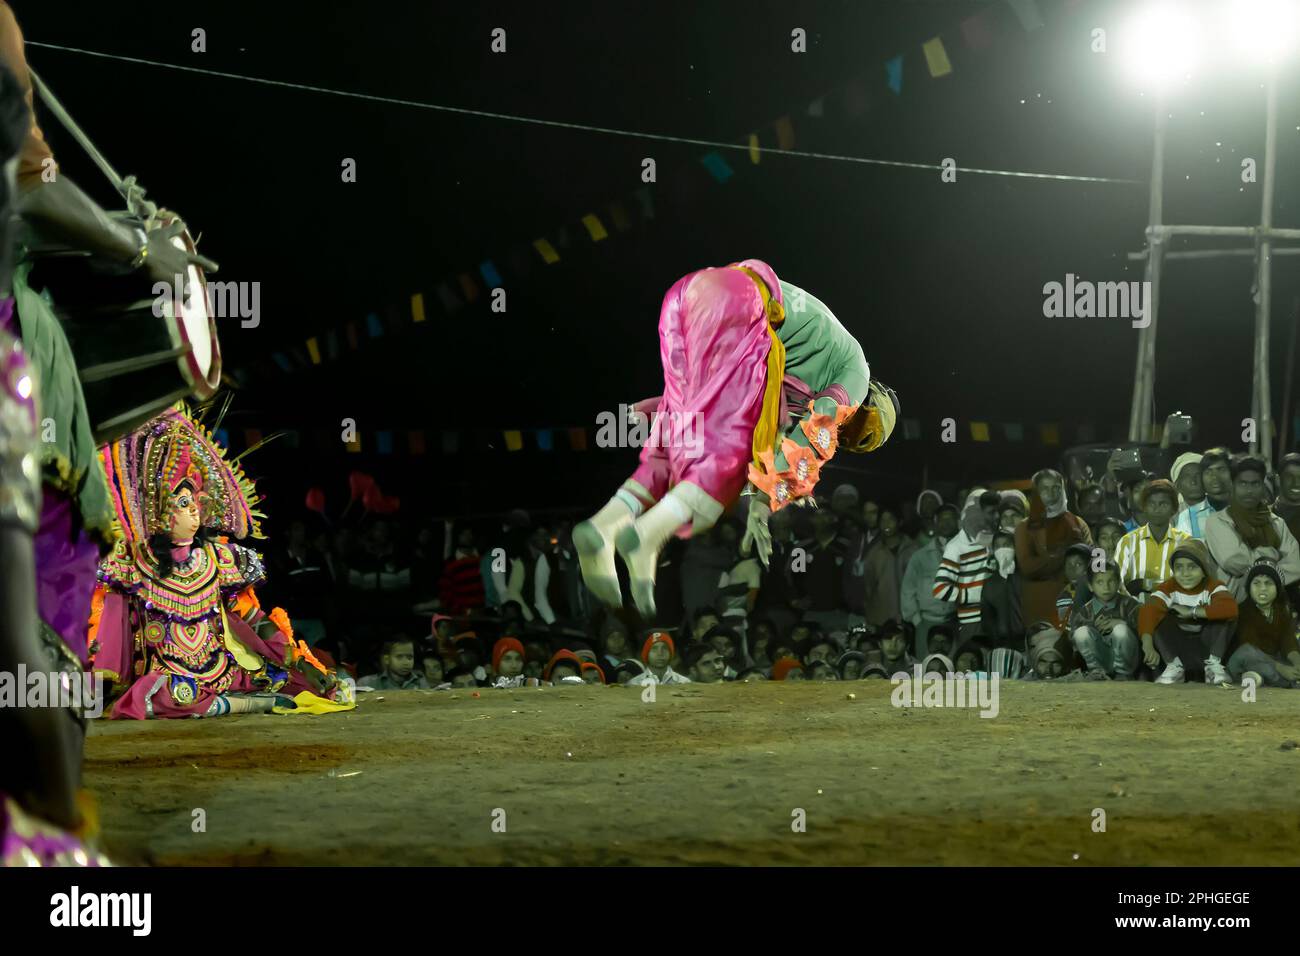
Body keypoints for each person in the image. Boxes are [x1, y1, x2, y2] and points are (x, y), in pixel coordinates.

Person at [572, 259, 897, 617]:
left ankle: (604, 527)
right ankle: (650, 534)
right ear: (869, 407)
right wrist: (764, 500)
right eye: (854, 436)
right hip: (744, 312)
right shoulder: (857, 375)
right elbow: (818, 430)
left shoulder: (807, 372)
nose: (844, 438)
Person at [90, 407, 352, 718]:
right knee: (161, 695)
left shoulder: (221, 560)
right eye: (183, 504)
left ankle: (246, 701)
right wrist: (98, 684)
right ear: (158, 514)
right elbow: (113, 631)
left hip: (223, 672)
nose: (194, 512)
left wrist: (302, 663)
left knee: (287, 684)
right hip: (170, 677)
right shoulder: (133, 564)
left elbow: (253, 619)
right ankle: (253, 704)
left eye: (196, 502)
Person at [1138, 539, 1237, 686]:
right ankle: (1174, 668)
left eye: (1192, 567)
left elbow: (1230, 608)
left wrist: (1193, 612)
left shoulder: (1213, 586)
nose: (1185, 573)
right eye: (1179, 567)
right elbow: (1148, 610)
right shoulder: (1169, 587)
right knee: (1157, 616)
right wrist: (1147, 646)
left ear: (1204, 570)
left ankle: (1213, 669)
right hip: (1180, 652)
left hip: (1207, 651)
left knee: (1227, 617)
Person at [1204, 455, 1300, 602]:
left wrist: (1261, 573)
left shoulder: (1276, 522)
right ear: (1232, 485)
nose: (1249, 491)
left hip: (1273, 607)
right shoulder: (1217, 521)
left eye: (1255, 484)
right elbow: (1233, 561)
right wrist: (1271, 553)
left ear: (1263, 486)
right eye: (1243, 484)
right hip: (1232, 608)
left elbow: (1296, 566)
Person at [1014, 468, 1093, 630]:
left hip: (1077, 605)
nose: (1051, 493)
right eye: (1045, 488)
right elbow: (1028, 567)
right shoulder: (1024, 527)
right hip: (1039, 608)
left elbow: (1093, 559)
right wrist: (1067, 556)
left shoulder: (1078, 523)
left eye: (1056, 487)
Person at [932, 490, 1000, 639]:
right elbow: (940, 589)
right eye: (991, 512)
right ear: (976, 513)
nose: (997, 516)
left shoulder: (996, 538)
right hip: (972, 622)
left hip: (999, 619)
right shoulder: (956, 546)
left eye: (997, 511)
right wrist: (979, 595)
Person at [1226, 560, 1300, 688]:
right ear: (1249, 587)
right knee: (1247, 652)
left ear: (1277, 588)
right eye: (1256, 583)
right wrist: (1280, 668)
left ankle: (1262, 679)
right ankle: (1287, 682)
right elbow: (1250, 650)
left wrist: (1297, 662)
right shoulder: (1242, 611)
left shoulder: (1282, 611)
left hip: (1270, 662)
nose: (1263, 588)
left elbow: (1288, 642)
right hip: (1244, 661)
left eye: (1269, 583)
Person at [1114, 479, 1189, 603]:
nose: (1157, 509)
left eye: (1163, 504)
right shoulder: (1127, 542)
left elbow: (1191, 585)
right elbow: (1117, 584)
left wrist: (1146, 584)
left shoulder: (1186, 542)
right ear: (1144, 507)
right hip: (1135, 613)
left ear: (1174, 509)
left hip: (1177, 613)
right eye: (1151, 504)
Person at [901, 502, 960, 656]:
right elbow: (908, 590)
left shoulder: (966, 553)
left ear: (958, 522)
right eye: (942, 519)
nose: (946, 523)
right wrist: (917, 621)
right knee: (924, 669)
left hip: (954, 622)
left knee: (952, 671)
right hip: (926, 622)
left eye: (950, 519)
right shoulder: (920, 556)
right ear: (935, 522)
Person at [1069, 561, 1140, 680]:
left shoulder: (1130, 604)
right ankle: (1097, 672)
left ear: (1118, 583)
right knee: (1081, 633)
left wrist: (1124, 623)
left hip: (1129, 660)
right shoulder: (1085, 611)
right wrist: (1093, 627)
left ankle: (1122, 674)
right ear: (1091, 586)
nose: (1106, 587)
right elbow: (1073, 637)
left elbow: (1146, 630)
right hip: (1102, 658)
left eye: (1111, 581)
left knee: (1120, 630)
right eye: (1099, 582)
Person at [861, 506, 918, 631]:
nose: (886, 524)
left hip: (910, 617)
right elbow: (868, 588)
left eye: (891, 519)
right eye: (882, 520)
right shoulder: (873, 553)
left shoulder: (913, 550)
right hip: (882, 619)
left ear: (900, 522)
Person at [979, 530, 1023, 646]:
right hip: (1001, 645)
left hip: (1026, 644)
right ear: (993, 551)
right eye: (998, 547)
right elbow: (987, 620)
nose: (1002, 550)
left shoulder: (1026, 578)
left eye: (1006, 545)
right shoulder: (990, 584)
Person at [1176, 448, 1231, 538]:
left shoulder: (1247, 507)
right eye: (1208, 472)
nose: (1214, 477)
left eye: (1220, 469)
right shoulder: (1187, 517)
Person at [359, 637, 428, 690]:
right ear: (387, 659)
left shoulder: (420, 681)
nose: (406, 663)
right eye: (399, 657)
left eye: (409, 657)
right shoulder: (367, 684)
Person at [626, 631, 691, 685]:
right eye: (654, 649)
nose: (660, 653)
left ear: (670, 653)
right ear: (646, 654)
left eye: (664, 648)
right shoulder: (634, 684)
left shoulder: (684, 683)